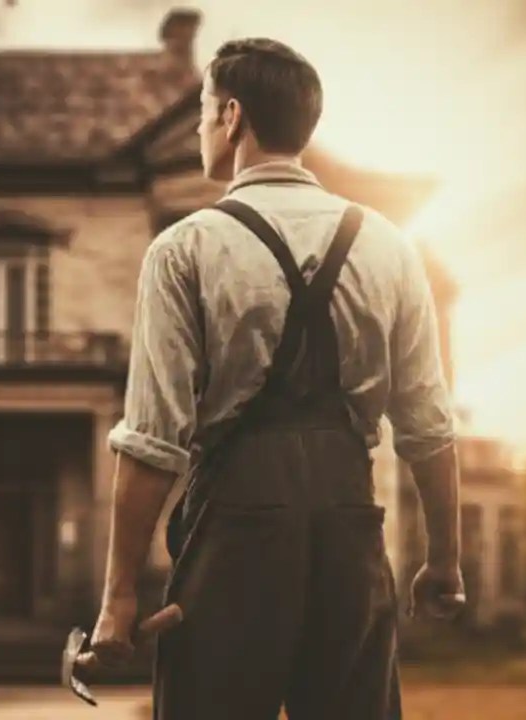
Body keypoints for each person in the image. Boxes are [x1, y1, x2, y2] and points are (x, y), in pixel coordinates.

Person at [79, 37, 466, 718]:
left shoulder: (184, 248)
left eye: (203, 114)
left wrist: (118, 600)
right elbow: (428, 427)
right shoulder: (391, 246)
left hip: (237, 524)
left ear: (231, 116)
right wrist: (444, 560)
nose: (202, 130)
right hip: (351, 520)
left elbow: (152, 439)